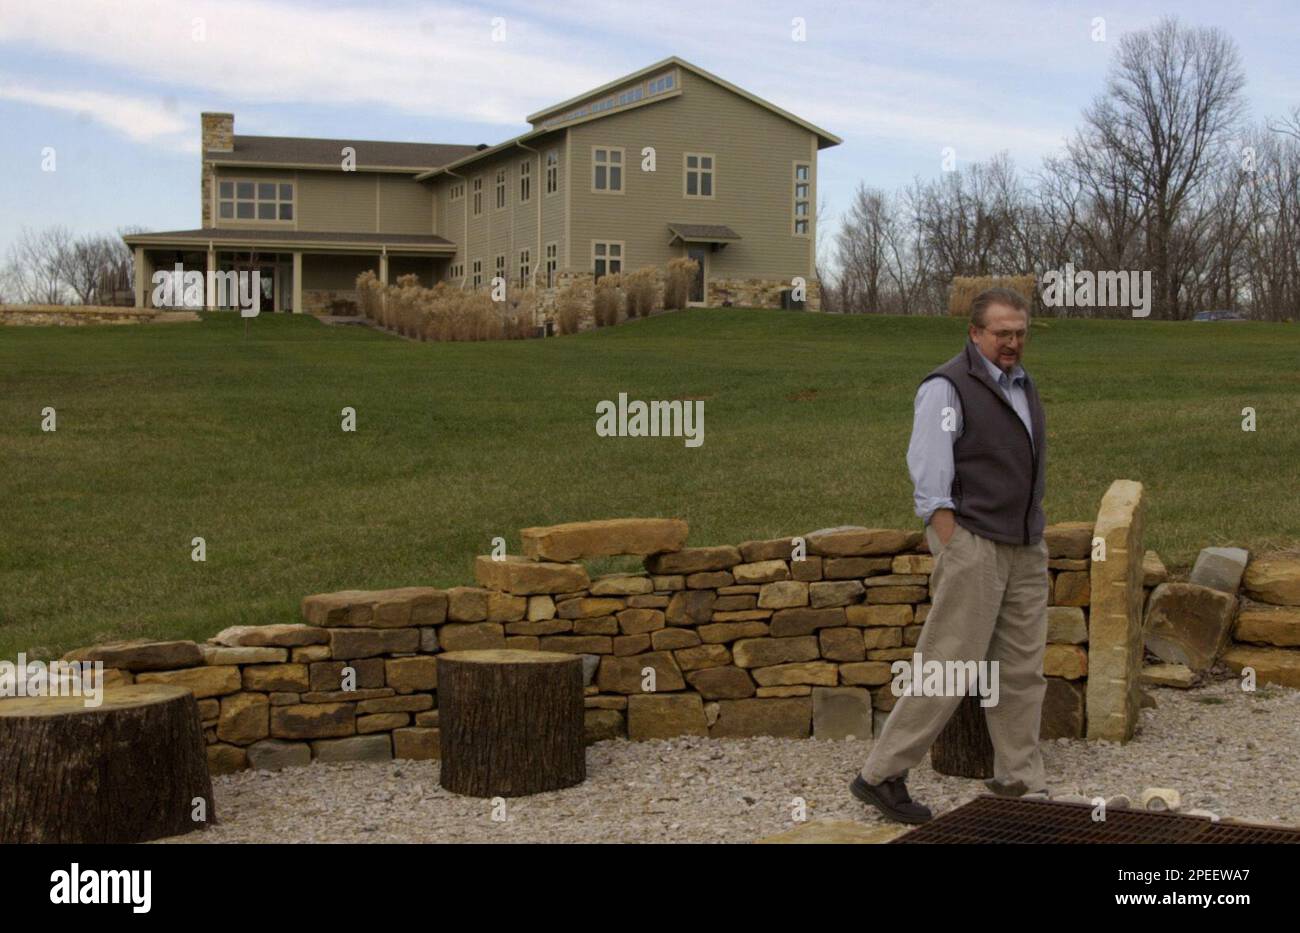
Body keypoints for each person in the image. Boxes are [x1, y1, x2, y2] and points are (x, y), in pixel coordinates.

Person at [849, 287, 1051, 824]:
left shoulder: (1024, 385)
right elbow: (929, 472)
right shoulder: (946, 387)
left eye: (1019, 333)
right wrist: (952, 538)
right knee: (948, 664)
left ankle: (1019, 780)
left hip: (1025, 544)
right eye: (1001, 333)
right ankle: (881, 775)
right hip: (975, 543)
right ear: (975, 333)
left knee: (1023, 670)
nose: (1012, 342)